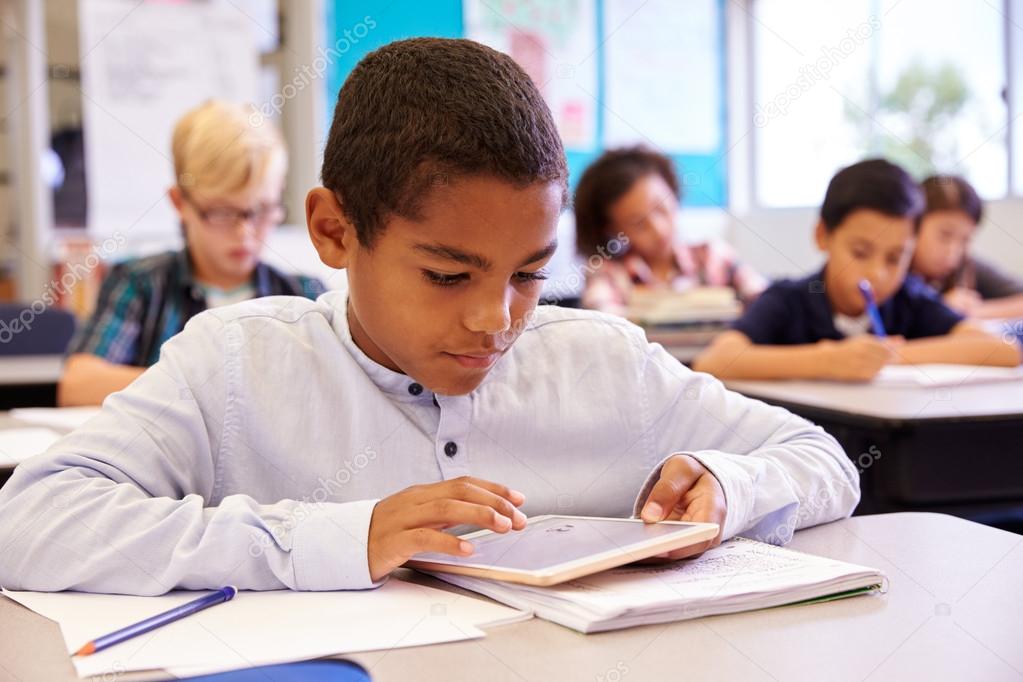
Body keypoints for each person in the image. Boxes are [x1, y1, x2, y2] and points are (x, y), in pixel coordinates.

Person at [0, 38, 859, 594]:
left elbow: (822, 458)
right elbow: (29, 523)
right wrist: (337, 537)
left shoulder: (603, 366)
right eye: (449, 274)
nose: (496, 320)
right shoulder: (233, 367)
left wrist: (728, 484)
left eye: (529, 273)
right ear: (335, 232)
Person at [58, 100, 325, 406]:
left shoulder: (304, 296)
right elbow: (77, 386)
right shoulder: (140, 285)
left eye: (262, 210)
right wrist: (209, 383)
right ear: (180, 202)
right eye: (223, 213)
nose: (245, 233)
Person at [693, 159, 1020, 381]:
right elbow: (715, 360)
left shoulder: (910, 300)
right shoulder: (789, 300)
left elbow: (1002, 351)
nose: (877, 273)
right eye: (860, 252)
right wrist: (828, 361)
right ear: (823, 235)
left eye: (895, 258)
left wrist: (888, 356)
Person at [574, 146, 766, 315]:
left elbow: (765, 303)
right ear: (611, 229)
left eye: (661, 208)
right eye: (638, 223)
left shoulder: (713, 256)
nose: (658, 229)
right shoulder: (609, 274)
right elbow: (605, 324)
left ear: (673, 191)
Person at [911, 174, 1023, 319]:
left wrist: (973, 312)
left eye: (965, 240)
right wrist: (940, 311)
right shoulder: (896, 274)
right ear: (914, 224)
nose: (953, 251)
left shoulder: (968, 265)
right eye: (945, 235)